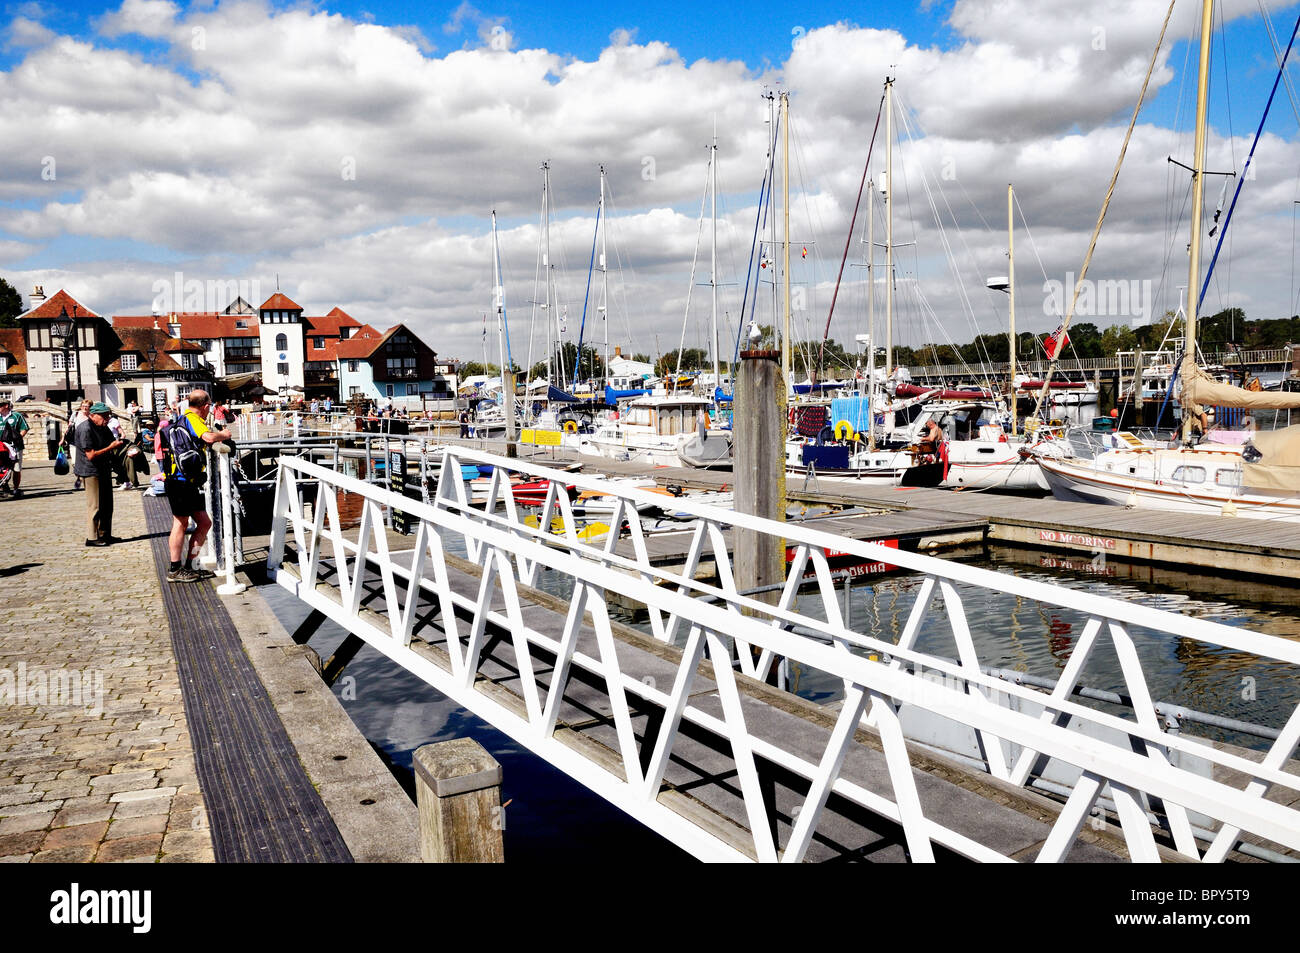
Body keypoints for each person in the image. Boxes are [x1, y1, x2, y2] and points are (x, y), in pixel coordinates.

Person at [163, 389, 232, 584]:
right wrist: (224, 435)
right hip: (179, 480)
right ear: (206, 406)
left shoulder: (186, 418)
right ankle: (175, 569)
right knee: (180, 523)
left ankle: (190, 565)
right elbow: (208, 438)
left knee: (204, 523)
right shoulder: (192, 419)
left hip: (187, 481)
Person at [74, 403, 123, 545]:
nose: (107, 419)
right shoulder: (85, 428)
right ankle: (92, 537)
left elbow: (112, 442)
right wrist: (111, 447)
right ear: (92, 415)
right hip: (90, 470)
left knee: (107, 504)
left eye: (108, 415)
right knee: (94, 505)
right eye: (104, 416)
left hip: (103, 468)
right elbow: (91, 455)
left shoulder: (102, 427)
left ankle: (105, 533)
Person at [0, 399, 30, 497]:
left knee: (16, 468)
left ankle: (16, 488)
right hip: (1, 447)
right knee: (2, 468)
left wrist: (17, 438)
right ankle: (4, 486)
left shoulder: (17, 416)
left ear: (6, 406)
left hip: (15, 447)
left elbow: (24, 428)